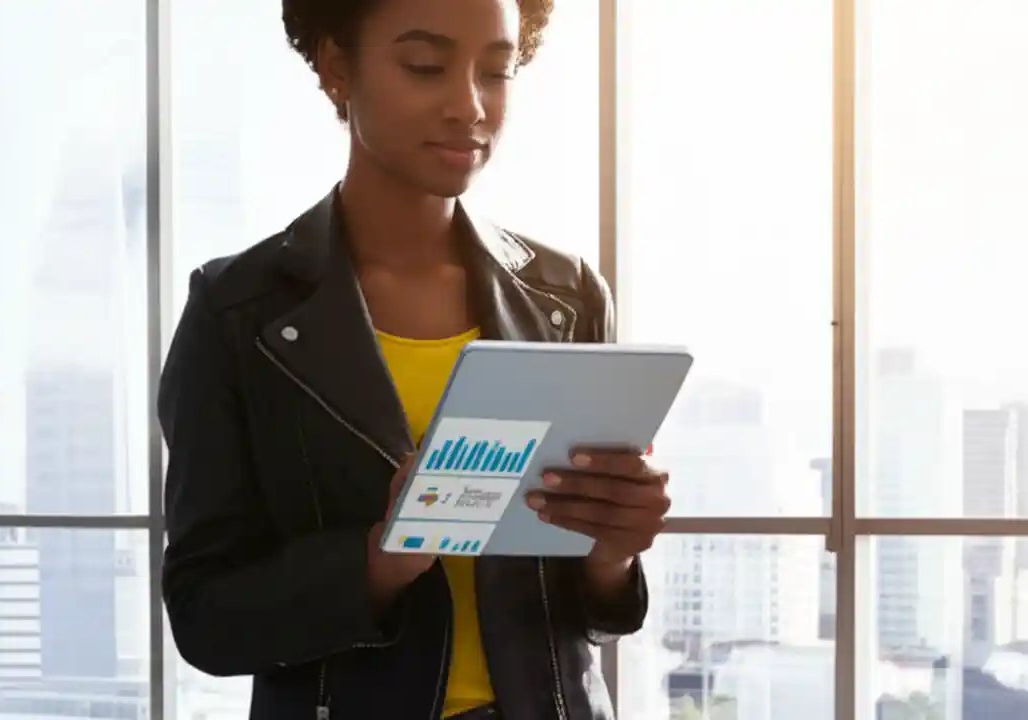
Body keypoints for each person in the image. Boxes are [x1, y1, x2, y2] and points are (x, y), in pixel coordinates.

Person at [157, 1, 671, 718]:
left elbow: (592, 610)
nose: (469, 105)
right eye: (425, 66)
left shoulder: (567, 296)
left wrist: (614, 549)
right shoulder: (238, 312)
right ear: (338, 67)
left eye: (496, 71)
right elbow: (204, 617)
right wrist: (378, 561)